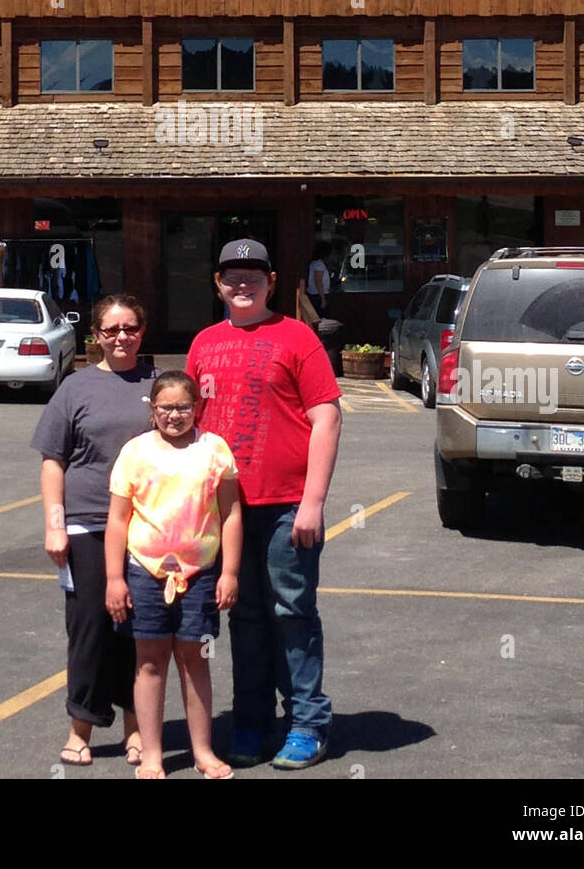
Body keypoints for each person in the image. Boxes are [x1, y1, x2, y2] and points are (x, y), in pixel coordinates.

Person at [186, 239, 342, 771]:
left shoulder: (298, 338)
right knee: (245, 616)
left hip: (285, 506)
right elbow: (188, 425)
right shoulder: (204, 343)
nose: (242, 283)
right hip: (224, 509)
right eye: (232, 274)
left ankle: (307, 724)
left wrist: (312, 502)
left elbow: (327, 417)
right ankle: (252, 721)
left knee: (293, 613)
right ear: (218, 283)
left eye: (254, 273)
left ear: (271, 282)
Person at [32, 293, 155, 767]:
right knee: (88, 627)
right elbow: (52, 462)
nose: (121, 337)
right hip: (86, 524)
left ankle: (136, 727)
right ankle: (81, 726)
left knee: (137, 628)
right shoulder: (75, 388)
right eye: (111, 330)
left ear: (142, 332)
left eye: (130, 328)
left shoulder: (158, 384)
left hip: (146, 527)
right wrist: (54, 526)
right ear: (96, 336)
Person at [105, 370, 242, 780]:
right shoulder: (134, 452)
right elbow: (117, 520)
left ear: (197, 407)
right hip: (145, 572)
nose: (175, 415)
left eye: (183, 407)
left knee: (195, 660)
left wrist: (229, 572)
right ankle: (151, 754)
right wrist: (115, 578)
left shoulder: (214, 450)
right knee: (149, 663)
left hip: (199, 574)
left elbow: (232, 515)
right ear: (152, 409)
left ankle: (202, 750)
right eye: (165, 407)